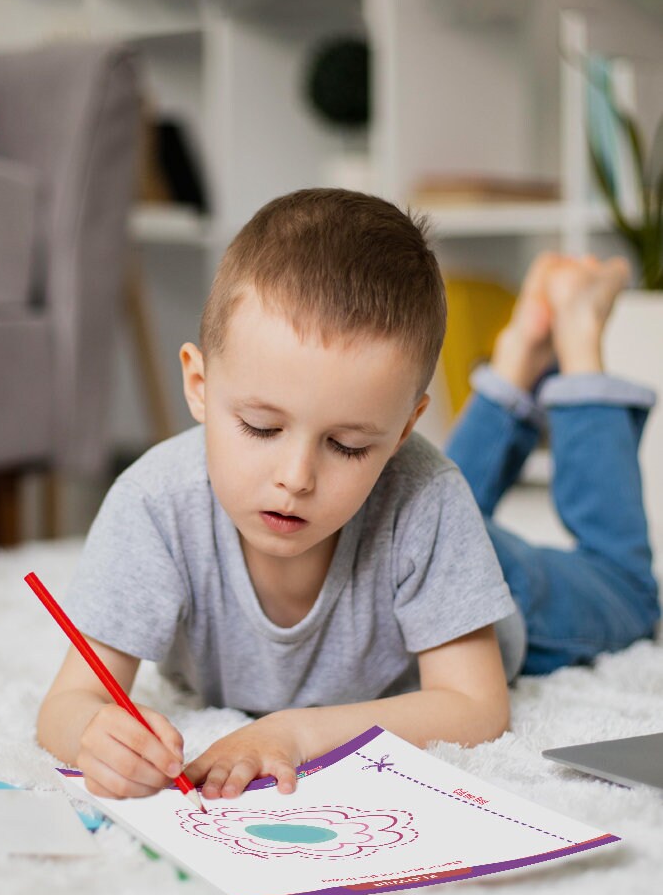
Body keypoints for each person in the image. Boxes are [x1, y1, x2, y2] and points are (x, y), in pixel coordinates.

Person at [36, 189, 659, 803]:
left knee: (630, 593)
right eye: (261, 428)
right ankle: (516, 356)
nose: (296, 477)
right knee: (413, 486)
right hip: (394, 519)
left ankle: (576, 344)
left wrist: (294, 732)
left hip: (498, 579)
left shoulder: (427, 498)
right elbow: (67, 705)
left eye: (348, 444)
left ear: (402, 429)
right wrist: (96, 735)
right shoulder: (154, 505)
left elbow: (476, 707)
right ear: (198, 384)